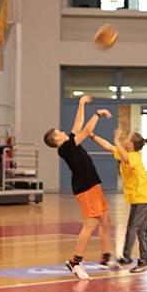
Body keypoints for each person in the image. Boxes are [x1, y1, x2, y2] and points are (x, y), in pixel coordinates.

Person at [42, 95, 113, 279]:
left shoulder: (69, 142)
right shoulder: (65, 148)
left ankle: (106, 257)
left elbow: (78, 124)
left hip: (93, 184)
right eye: (59, 131)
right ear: (56, 139)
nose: (64, 131)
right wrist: (97, 113)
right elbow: (86, 129)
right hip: (85, 187)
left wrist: (81, 104)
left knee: (105, 220)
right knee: (90, 225)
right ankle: (75, 261)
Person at [91, 125, 147, 273]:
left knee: (134, 228)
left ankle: (128, 258)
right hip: (139, 198)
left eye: (127, 139)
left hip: (145, 198)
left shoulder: (134, 155)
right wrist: (93, 136)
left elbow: (125, 155)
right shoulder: (124, 153)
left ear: (131, 144)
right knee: (140, 230)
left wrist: (116, 140)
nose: (124, 140)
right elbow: (108, 146)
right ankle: (143, 260)